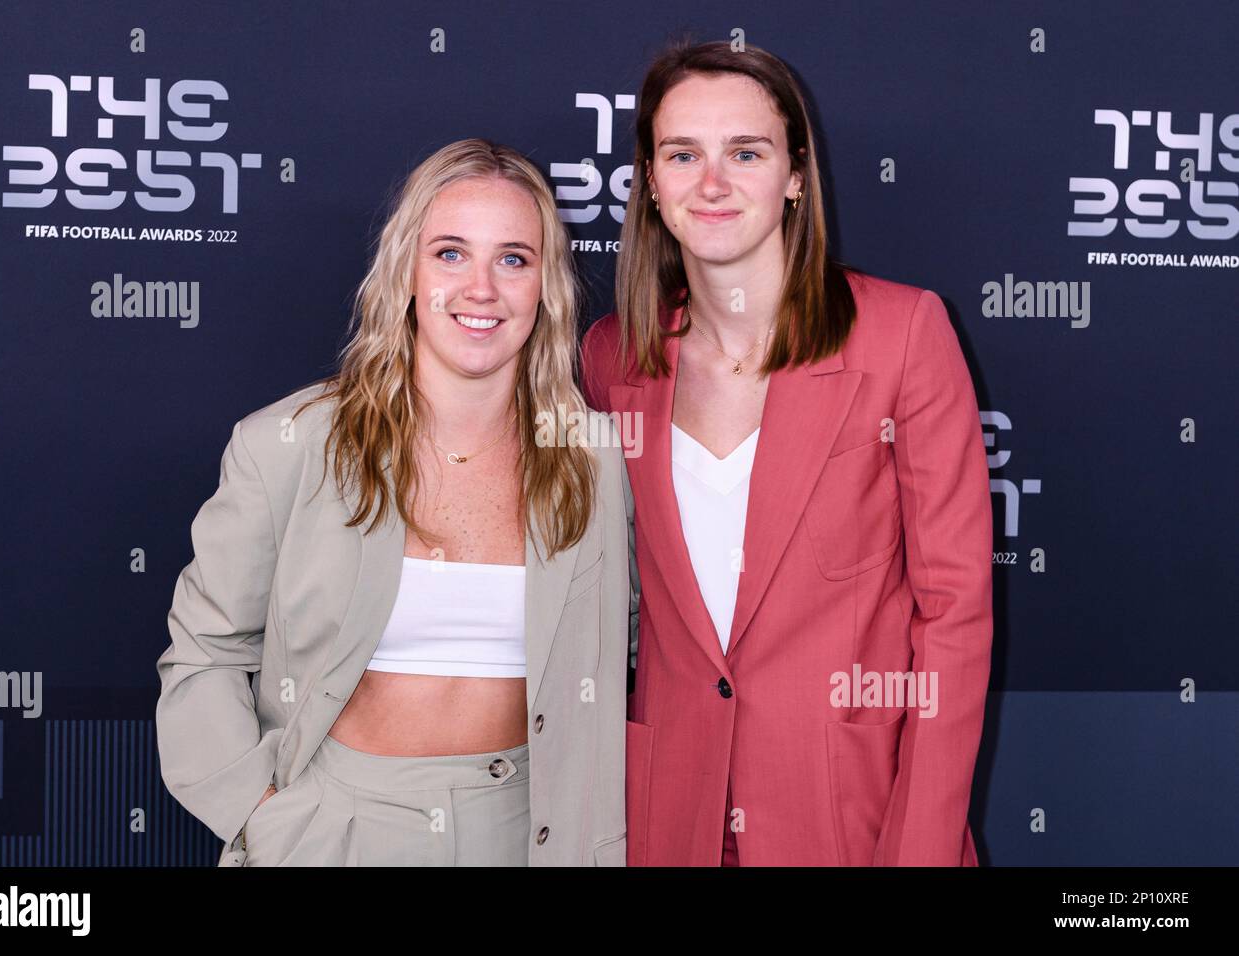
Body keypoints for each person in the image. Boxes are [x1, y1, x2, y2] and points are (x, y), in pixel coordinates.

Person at [156, 138, 631, 866]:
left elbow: (642, 652)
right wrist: (263, 819)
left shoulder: (598, 460)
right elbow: (204, 655)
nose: (481, 288)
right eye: (449, 253)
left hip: (537, 835)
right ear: (405, 269)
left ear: (546, 286)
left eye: (513, 258)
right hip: (334, 833)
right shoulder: (289, 445)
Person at [580, 41, 993, 866]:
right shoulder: (611, 357)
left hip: (850, 813)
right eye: (682, 154)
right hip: (666, 818)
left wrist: (920, 847)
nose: (713, 181)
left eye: (746, 152)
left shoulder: (903, 335)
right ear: (650, 183)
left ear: (795, 175)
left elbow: (954, 615)